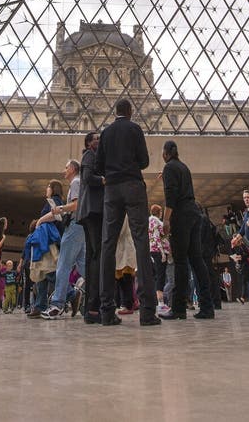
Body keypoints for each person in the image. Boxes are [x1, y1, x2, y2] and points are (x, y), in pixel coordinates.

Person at [96, 98, 160, 326]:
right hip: (133, 186)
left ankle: (106, 311)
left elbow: (98, 166)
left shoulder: (106, 133)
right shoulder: (134, 129)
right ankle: (147, 311)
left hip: (112, 190)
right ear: (130, 111)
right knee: (141, 242)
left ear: (116, 111)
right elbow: (144, 161)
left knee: (108, 245)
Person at [160, 139, 214, 320]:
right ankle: (207, 306)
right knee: (197, 260)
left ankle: (178, 309)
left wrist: (166, 220)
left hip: (181, 216)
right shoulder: (183, 167)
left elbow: (171, 196)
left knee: (181, 262)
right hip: (193, 213)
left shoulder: (169, 168)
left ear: (165, 154)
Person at [39, 159, 85, 319]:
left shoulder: (76, 182)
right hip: (80, 227)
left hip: (74, 227)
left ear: (72, 168)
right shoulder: (78, 182)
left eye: (66, 168)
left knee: (63, 265)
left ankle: (57, 305)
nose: (64, 171)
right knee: (84, 266)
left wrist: (60, 208)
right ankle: (101, 297)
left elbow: (77, 205)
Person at [76, 131, 105, 324]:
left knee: (92, 257)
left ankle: (90, 309)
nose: (99, 140)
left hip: (89, 211)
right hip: (93, 210)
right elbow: (88, 177)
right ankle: (94, 308)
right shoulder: (89, 155)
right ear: (88, 143)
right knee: (96, 256)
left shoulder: (92, 155)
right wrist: (104, 179)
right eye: (96, 139)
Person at [28, 180, 64, 318]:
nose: (46, 189)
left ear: (54, 189)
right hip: (46, 240)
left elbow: (56, 216)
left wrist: (40, 221)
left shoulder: (55, 200)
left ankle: (71, 294)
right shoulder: (51, 201)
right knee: (42, 273)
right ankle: (39, 305)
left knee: (50, 273)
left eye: (48, 186)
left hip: (50, 242)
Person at [149, 204, 170, 313]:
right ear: (159, 212)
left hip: (152, 250)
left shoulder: (149, 220)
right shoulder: (156, 221)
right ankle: (161, 303)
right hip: (158, 251)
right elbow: (157, 237)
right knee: (160, 277)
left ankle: (158, 303)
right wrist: (162, 253)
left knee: (157, 276)